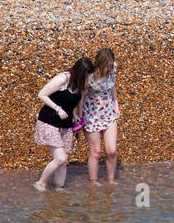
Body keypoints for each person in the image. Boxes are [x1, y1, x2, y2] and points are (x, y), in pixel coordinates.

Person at [33, 57, 93, 190]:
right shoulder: (63, 79)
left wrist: (76, 115)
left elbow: (72, 102)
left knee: (64, 161)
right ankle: (40, 183)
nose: (89, 80)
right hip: (48, 121)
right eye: (88, 76)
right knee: (60, 158)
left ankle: (59, 189)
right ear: (80, 73)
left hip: (65, 125)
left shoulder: (81, 84)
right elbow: (42, 94)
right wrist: (58, 109)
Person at [82, 48, 120, 185]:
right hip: (91, 114)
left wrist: (116, 105)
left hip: (108, 113)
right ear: (100, 63)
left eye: (111, 64)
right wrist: (79, 116)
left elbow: (113, 86)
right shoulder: (89, 75)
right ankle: (93, 181)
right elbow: (82, 96)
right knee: (96, 152)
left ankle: (110, 179)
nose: (110, 67)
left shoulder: (113, 69)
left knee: (111, 151)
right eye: (107, 65)